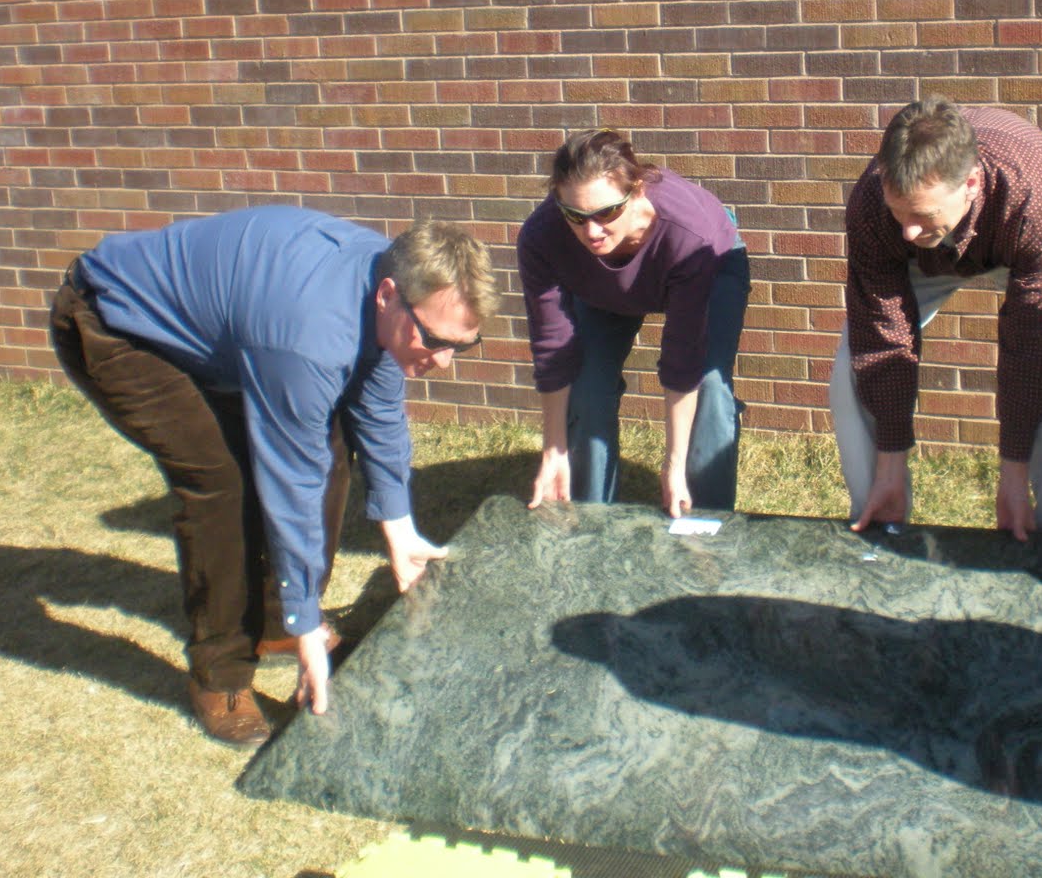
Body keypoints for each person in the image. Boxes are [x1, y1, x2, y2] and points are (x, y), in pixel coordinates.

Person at [49, 206, 497, 747]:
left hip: (232, 333)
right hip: (116, 323)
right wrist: (309, 621)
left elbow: (378, 413)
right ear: (388, 297)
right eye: (435, 340)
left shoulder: (392, 284)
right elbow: (292, 483)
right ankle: (221, 675)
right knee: (222, 481)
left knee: (330, 445)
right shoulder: (309, 335)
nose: (444, 361)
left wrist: (400, 532)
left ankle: (278, 623)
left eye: (461, 345)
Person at [829, 96, 1042, 539]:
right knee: (851, 366)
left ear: (971, 183)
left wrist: (1013, 471)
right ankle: (879, 512)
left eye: (921, 213)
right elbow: (882, 336)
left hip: (1016, 226)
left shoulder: (1035, 203)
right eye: (898, 211)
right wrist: (891, 457)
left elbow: (1032, 342)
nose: (908, 231)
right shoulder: (871, 205)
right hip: (932, 252)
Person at [518, 129, 749, 517]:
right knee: (586, 383)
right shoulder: (542, 237)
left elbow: (683, 355)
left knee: (709, 384)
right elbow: (552, 348)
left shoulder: (689, 232)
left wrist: (674, 463)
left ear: (636, 190)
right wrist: (554, 450)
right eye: (575, 215)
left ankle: (701, 520)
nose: (592, 231)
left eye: (606, 212)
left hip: (709, 263)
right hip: (603, 282)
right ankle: (590, 516)